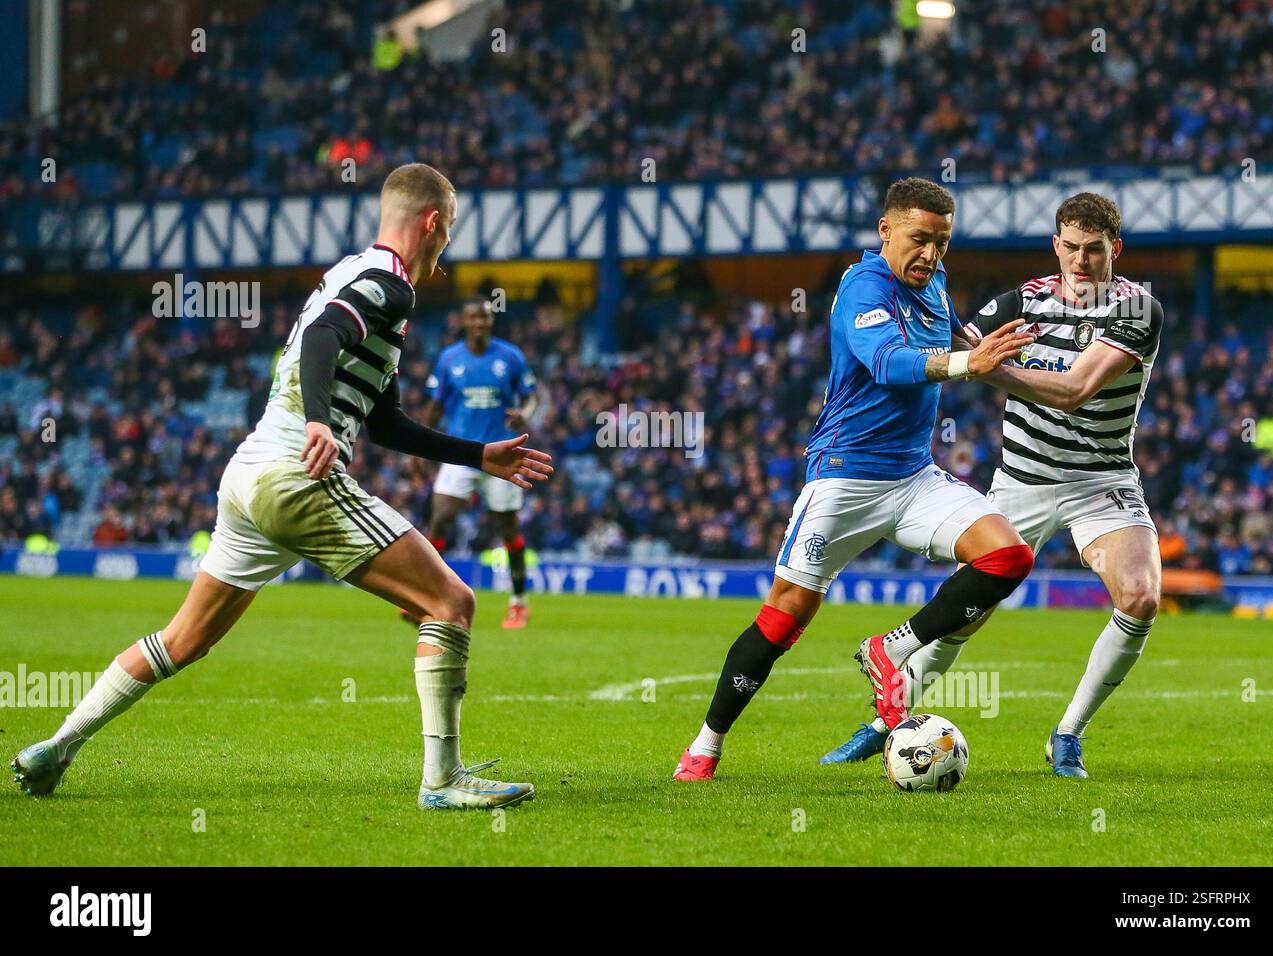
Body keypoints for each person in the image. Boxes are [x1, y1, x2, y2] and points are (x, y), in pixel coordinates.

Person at [12, 163, 554, 810]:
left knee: (184, 639)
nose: (448, 245)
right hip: (297, 475)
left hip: (247, 475)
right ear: (432, 222)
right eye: (450, 229)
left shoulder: (350, 275)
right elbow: (324, 338)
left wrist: (477, 454)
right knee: (451, 603)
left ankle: (54, 747)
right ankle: (442, 780)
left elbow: (384, 423)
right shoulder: (391, 285)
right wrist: (321, 421)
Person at [672, 178, 1037, 782]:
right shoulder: (862, 287)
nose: (931, 255)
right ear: (885, 231)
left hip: (914, 477)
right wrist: (970, 363)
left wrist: (978, 343)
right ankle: (705, 745)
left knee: (1008, 557)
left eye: (942, 243)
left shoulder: (936, 286)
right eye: (920, 240)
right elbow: (889, 364)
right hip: (845, 478)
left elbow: (941, 339)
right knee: (783, 617)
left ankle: (890, 649)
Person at [826, 192, 1163, 778]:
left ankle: (1068, 735)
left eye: (1094, 250)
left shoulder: (1136, 312)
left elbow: (1073, 391)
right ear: (1055, 245)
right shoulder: (1019, 302)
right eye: (1071, 248)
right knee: (967, 611)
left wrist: (989, 366)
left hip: (1101, 481)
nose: (1081, 262)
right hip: (1020, 479)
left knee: (1141, 597)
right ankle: (884, 724)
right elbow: (953, 342)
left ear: (1116, 250)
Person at [420, 300, 539, 629]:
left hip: (500, 454)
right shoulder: (449, 359)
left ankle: (518, 604)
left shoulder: (510, 357)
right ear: (463, 321)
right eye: (473, 317)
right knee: (439, 520)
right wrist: (419, 452)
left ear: (491, 321)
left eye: (485, 317)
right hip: (460, 451)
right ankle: (427, 598)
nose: (479, 323)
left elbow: (531, 395)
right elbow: (435, 407)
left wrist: (525, 414)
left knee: (508, 530)